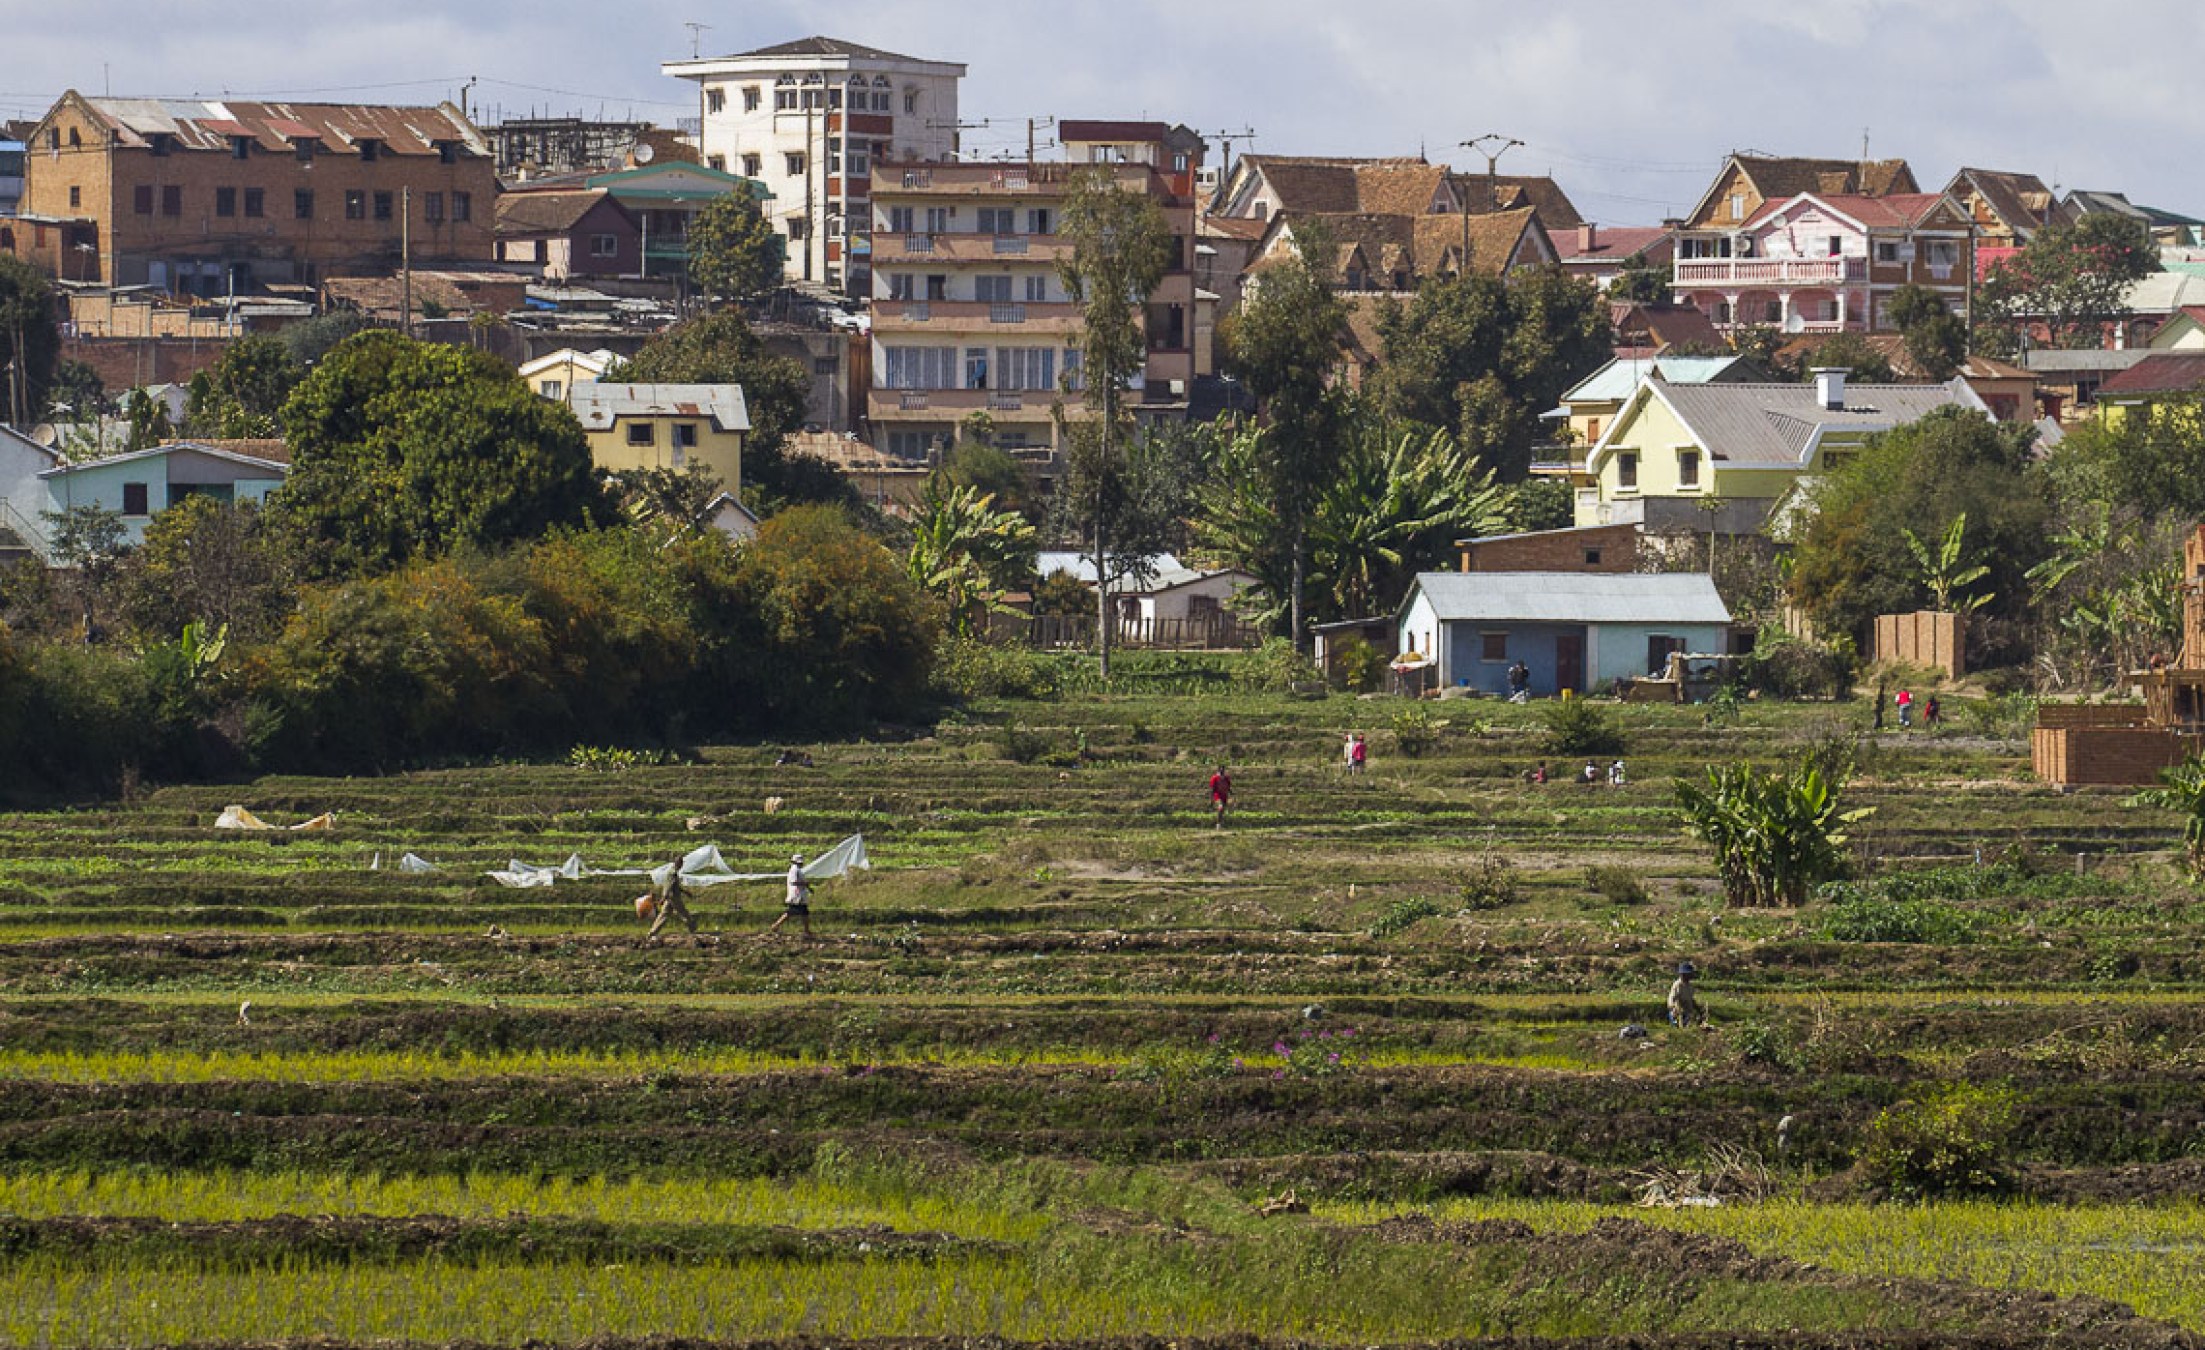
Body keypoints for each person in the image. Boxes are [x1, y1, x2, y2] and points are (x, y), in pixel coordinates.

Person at [644, 859, 696, 942]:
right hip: (674, 897)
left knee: (663, 915)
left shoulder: (671, 872)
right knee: (683, 913)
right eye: (681, 863)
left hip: (669, 897)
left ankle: (652, 933)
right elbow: (669, 887)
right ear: (678, 863)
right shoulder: (673, 873)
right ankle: (693, 930)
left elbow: (674, 886)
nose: (682, 865)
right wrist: (663, 898)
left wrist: (685, 892)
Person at [767, 852, 813, 939]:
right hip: (796, 895)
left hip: (799, 895)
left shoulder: (797, 870)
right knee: (793, 912)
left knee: (803, 912)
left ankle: (806, 931)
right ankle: (775, 926)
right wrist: (805, 883)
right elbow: (793, 881)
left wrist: (808, 887)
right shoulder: (794, 870)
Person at [1668, 961, 1702, 1029]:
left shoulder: (1690, 986)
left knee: (1694, 1021)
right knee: (1680, 1024)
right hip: (1678, 1013)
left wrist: (1698, 1007)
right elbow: (1671, 999)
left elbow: (1690, 999)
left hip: (1688, 1012)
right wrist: (1674, 1008)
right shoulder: (1677, 985)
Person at [1208, 764, 1233, 829]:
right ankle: (1218, 824)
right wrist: (1211, 798)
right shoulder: (1215, 778)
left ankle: (1220, 822)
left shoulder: (1226, 778)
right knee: (1220, 807)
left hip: (1224, 796)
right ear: (1218, 770)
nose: (1222, 771)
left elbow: (1228, 787)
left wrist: (1231, 794)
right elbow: (1212, 789)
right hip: (1217, 795)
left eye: (1223, 769)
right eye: (1221, 769)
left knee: (1222, 810)